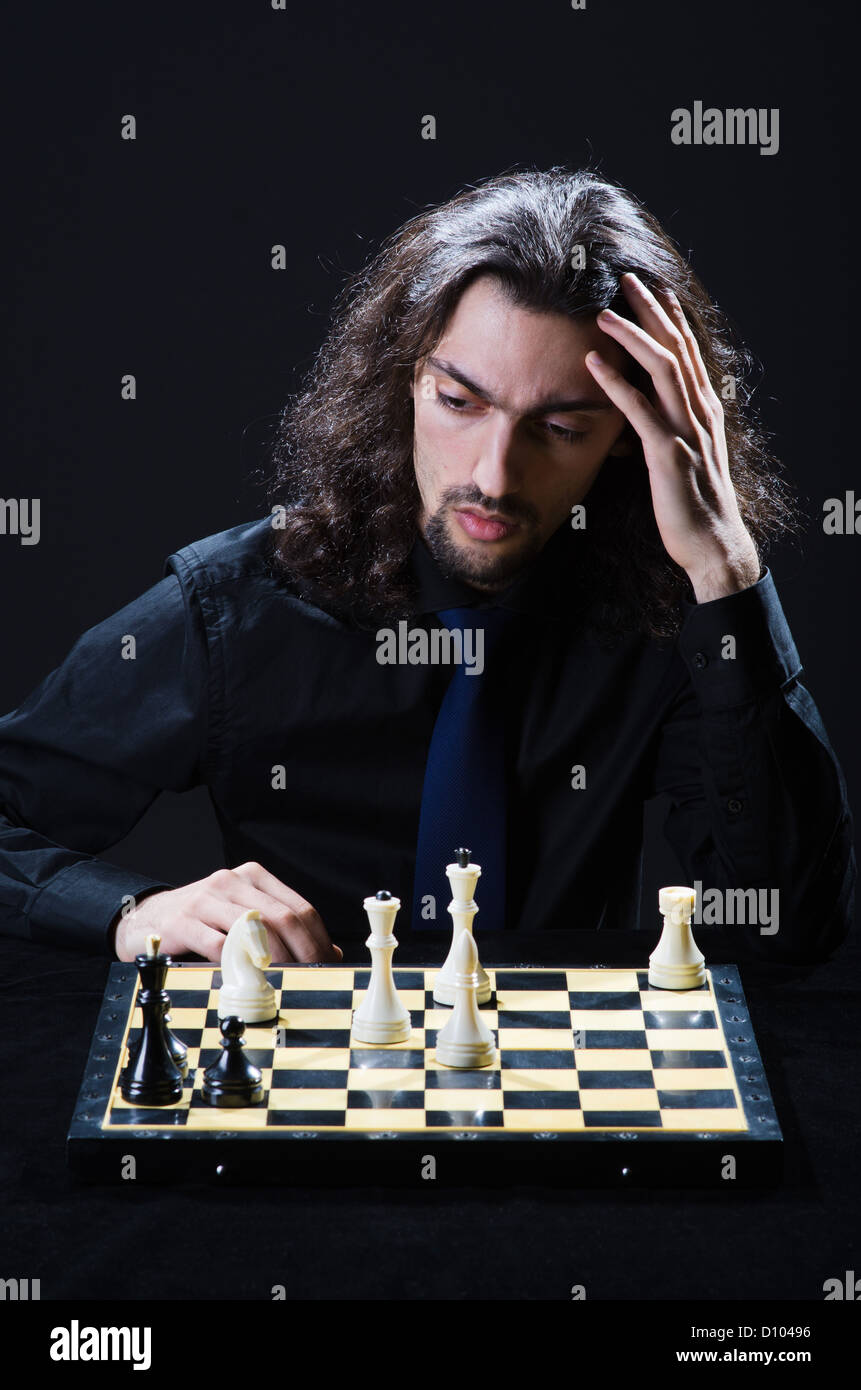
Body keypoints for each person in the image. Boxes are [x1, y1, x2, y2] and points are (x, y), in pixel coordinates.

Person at [0, 168, 854, 966]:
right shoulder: (235, 605)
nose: (492, 474)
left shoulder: (669, 620)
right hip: (293, 1095)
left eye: (559, 428)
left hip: (564, 1093)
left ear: (634, 437)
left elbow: (787, 925)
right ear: (402, 383)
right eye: (459, 401)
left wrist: (725, 570)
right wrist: (130, 912)